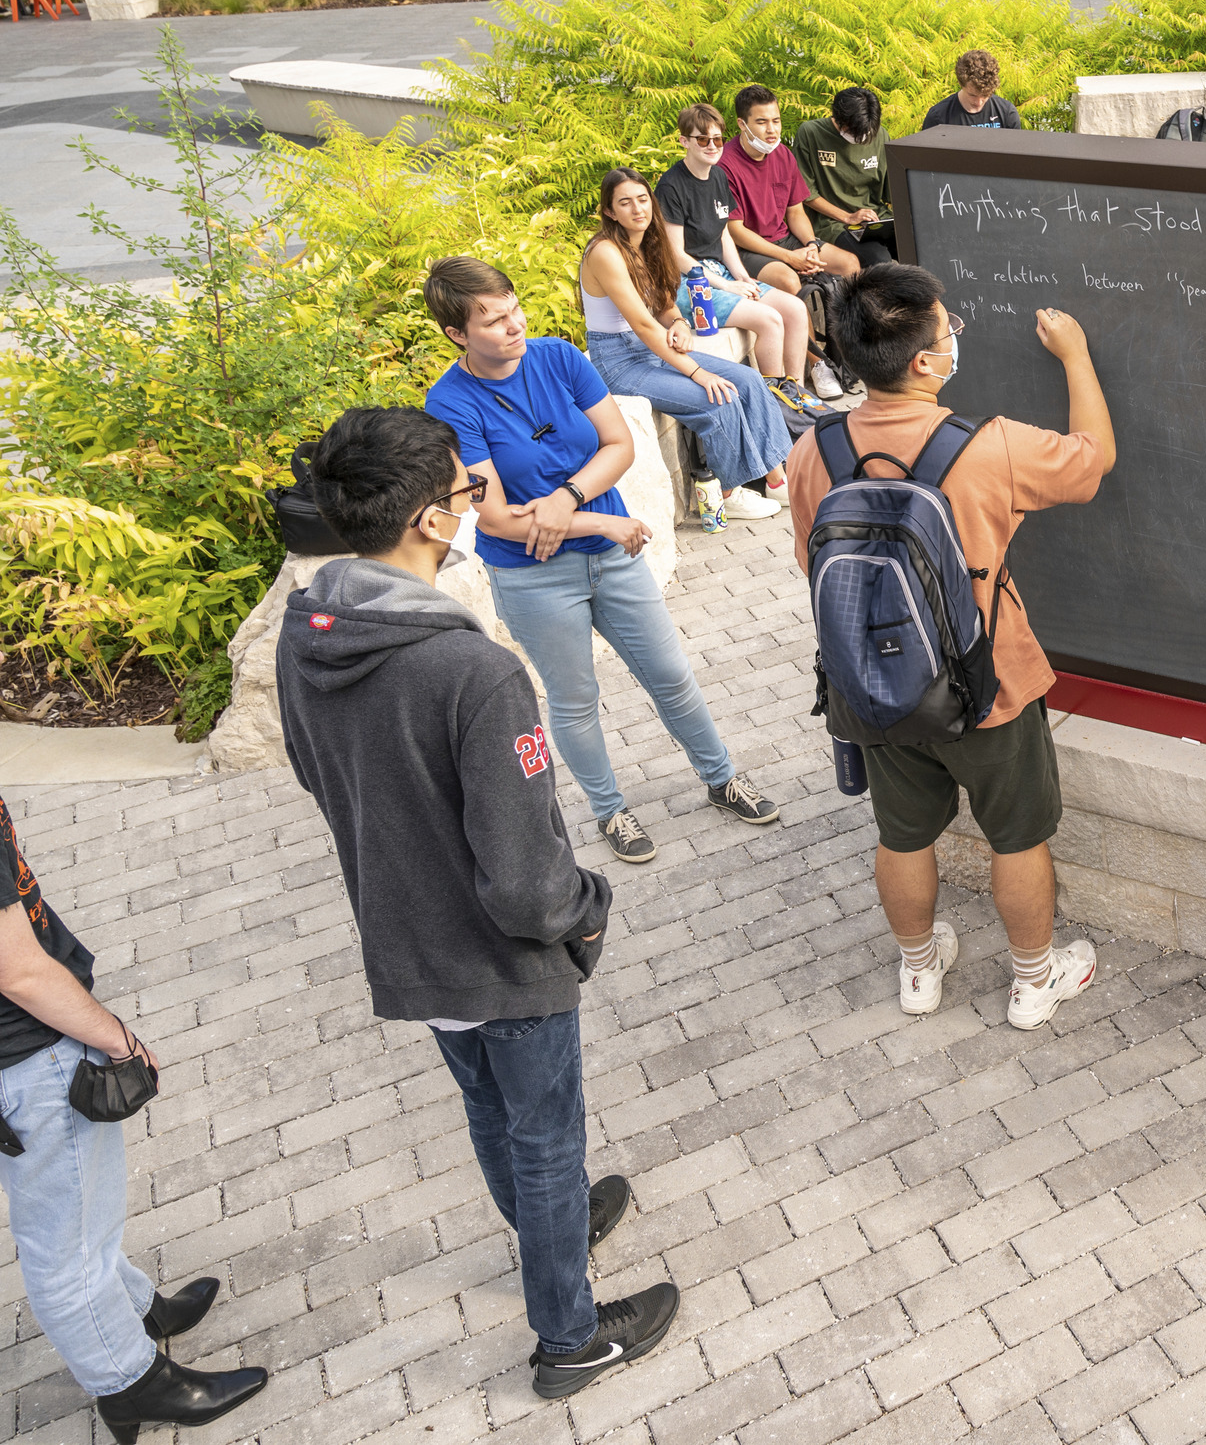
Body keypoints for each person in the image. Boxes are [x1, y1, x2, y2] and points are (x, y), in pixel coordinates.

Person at [278, 404, 678, 1399]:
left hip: (405, 939)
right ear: (425, 518)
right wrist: (584, 911)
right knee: (546, 1139)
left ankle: (554, 1234)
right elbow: (524, 875)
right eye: (466, 489)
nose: (476, 501)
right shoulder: (473, 670)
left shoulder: (310, 626)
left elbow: (310, 771)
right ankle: (569, 1338)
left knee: (489, 1113)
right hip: (505, 956)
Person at [786, 264, 1115, 1028]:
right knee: (1017, 836)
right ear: (926, 364)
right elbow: (1092, 461)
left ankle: (918, 970)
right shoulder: (988, 447)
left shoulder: (817, 451)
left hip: (868, 687)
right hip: (986, 685)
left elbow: (813, 564)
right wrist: (1075, 355)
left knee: (901, 835)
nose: (955, 335)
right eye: (949, 328)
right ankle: (1035, 982)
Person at [421, 256, 784, 865]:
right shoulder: (450, 403)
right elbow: (495, 517)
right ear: (458, 334)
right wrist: (600, 518)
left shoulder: (559, 357)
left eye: (514, 309)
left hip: (610, 559)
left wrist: (564, 500)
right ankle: (610, 811)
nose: (513, 327)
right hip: (534, 573)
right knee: (574, 699)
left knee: (671, 676)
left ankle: (721, 777)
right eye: (493, 321)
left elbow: (620, 444)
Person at [0, 797, 267, 1444]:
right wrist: (117, 1039)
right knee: (62, 1247)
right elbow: (19, 971)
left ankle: (136, 1311)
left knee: (83, 1211)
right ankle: (129, 1384)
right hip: (25, 1057)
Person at [578, 167, 796, 516]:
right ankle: (726, 494)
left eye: (642, 199)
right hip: (619, 362)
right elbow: (644, 326)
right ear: (609, 211)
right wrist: (697, 372)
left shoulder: (646, 243)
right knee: (718, 397)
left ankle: (777, 482)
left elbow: (663, 304)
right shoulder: (605, 252)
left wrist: (678, 322)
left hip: (651, 350)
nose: (638, 210)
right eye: (625, 203)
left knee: (749, 381)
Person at [655, 103, 822, 414]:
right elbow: (674, 253)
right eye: (702, 139)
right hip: (688, 282)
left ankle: (795, 395)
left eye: (717, 140)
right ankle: (772, 406)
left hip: (720, 273)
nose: (712, 146)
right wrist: (726, 285)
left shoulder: (718, 177)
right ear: (684, 141)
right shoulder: (671, 186)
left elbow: (723, 235)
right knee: (770, 320)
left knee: (795, 309)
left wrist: (742, 276)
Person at [718, 83, 858, 303]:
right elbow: (735, 231)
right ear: (742, 124)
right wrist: (789, 258)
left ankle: (845, 336)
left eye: (776, 121)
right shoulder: (725, 165)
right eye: (761, 122)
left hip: (786, 240)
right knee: (789, 281)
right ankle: (806, 339)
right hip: (747, 249)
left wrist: (811, 245)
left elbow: (795, 213)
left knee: (849, 263)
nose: (772, 130)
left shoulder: (783, 154)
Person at [796, 87, 899, 271]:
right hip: (833, 222)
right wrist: (848, 217)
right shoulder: (811, 133)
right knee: (880, 260)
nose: (863, 137)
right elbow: (806, 194)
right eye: (856, 132)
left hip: (876, 217)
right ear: (839, 120)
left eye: (868, 132)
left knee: (921, 247)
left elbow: (892, 191)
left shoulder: (879, 134)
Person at [920, 50, 1025, 131]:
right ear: (961, 84)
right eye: (972, 95)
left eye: (985, 95)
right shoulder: (939, 116)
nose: (978, 102)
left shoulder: (1006, 112)